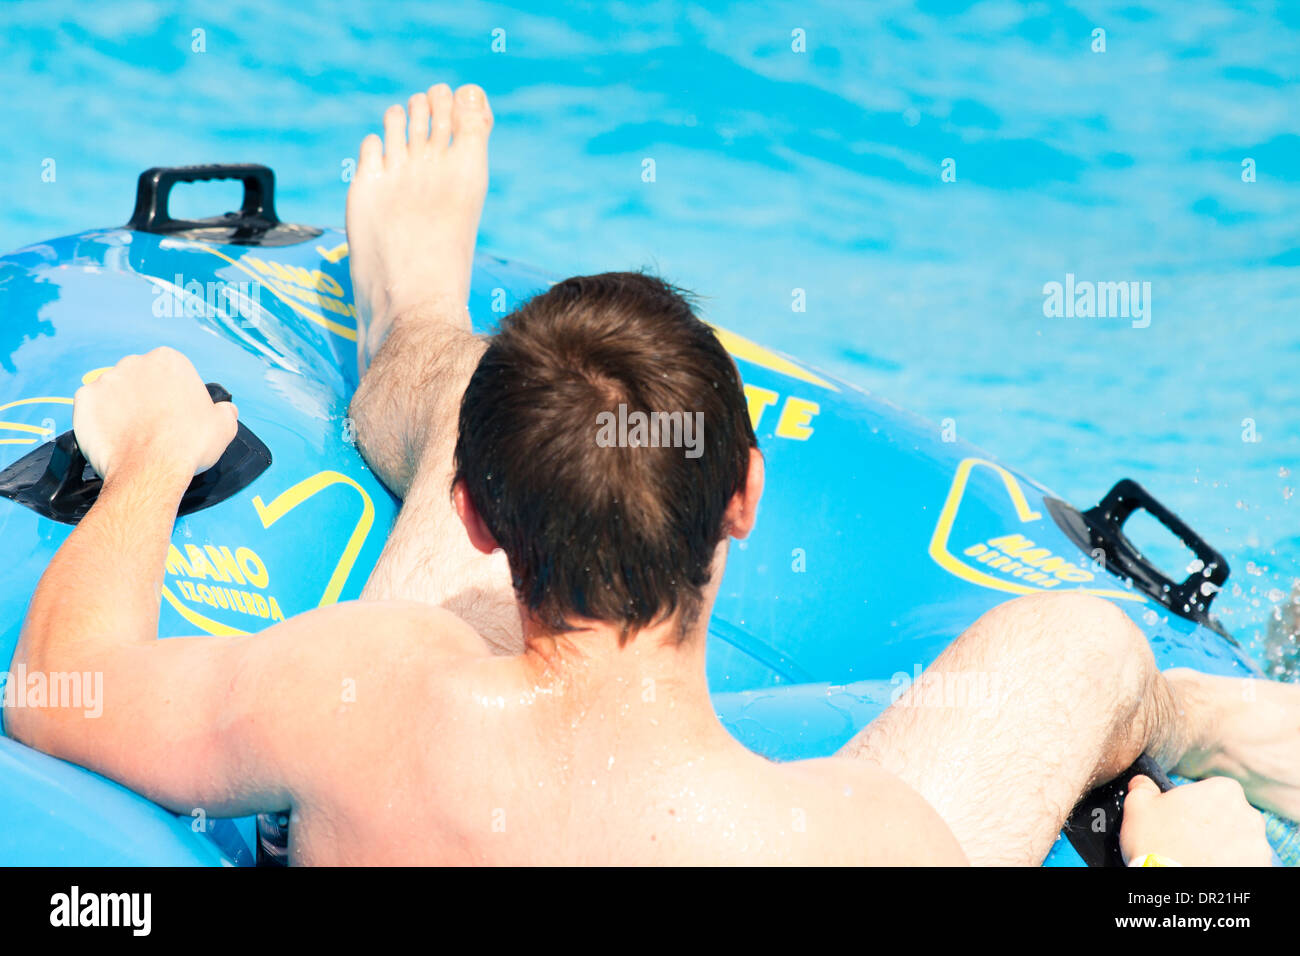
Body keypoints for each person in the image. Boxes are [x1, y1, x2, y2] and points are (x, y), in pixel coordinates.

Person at [5, 85, 1295, 866]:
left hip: (421, 755)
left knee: (469, 393)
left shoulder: (352, 703)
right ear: (744, 496)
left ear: (470, 510)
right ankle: (1177, 718)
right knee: (1076, 643)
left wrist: (154, 460)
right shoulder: (853, 840)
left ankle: (423, 326)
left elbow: (58, 696)